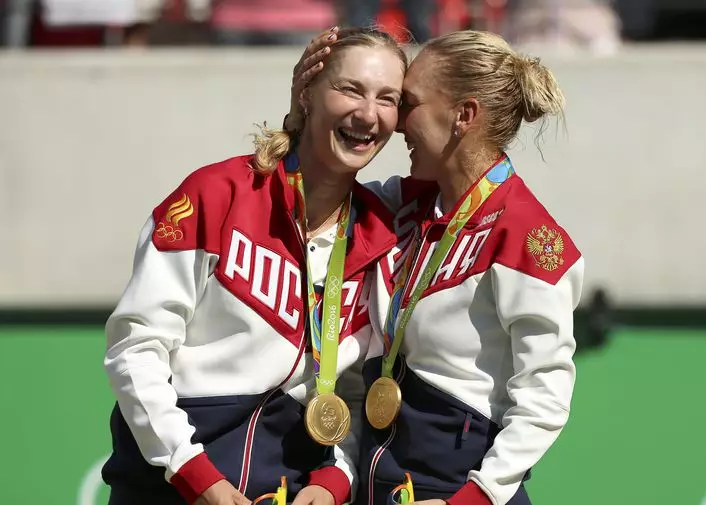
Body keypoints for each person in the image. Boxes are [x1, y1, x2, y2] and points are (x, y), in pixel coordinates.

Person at [102, 27, 407, 505]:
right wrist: (197, 478)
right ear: (306, 93)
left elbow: (355, 394)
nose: (368, 113)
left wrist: (333, 483)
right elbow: (136, 349)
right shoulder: (215, 194)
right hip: (169, 489)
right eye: (350, 88)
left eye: (387, 98)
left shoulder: (381, 236)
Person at [288, 29, 584, 505]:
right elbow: (303, 204)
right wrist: (306, 112)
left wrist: (473, 499)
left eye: (408, 103)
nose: (396, 124)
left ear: (463, 116)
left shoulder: (528, 236)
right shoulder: (401, 205)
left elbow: (545, 397)